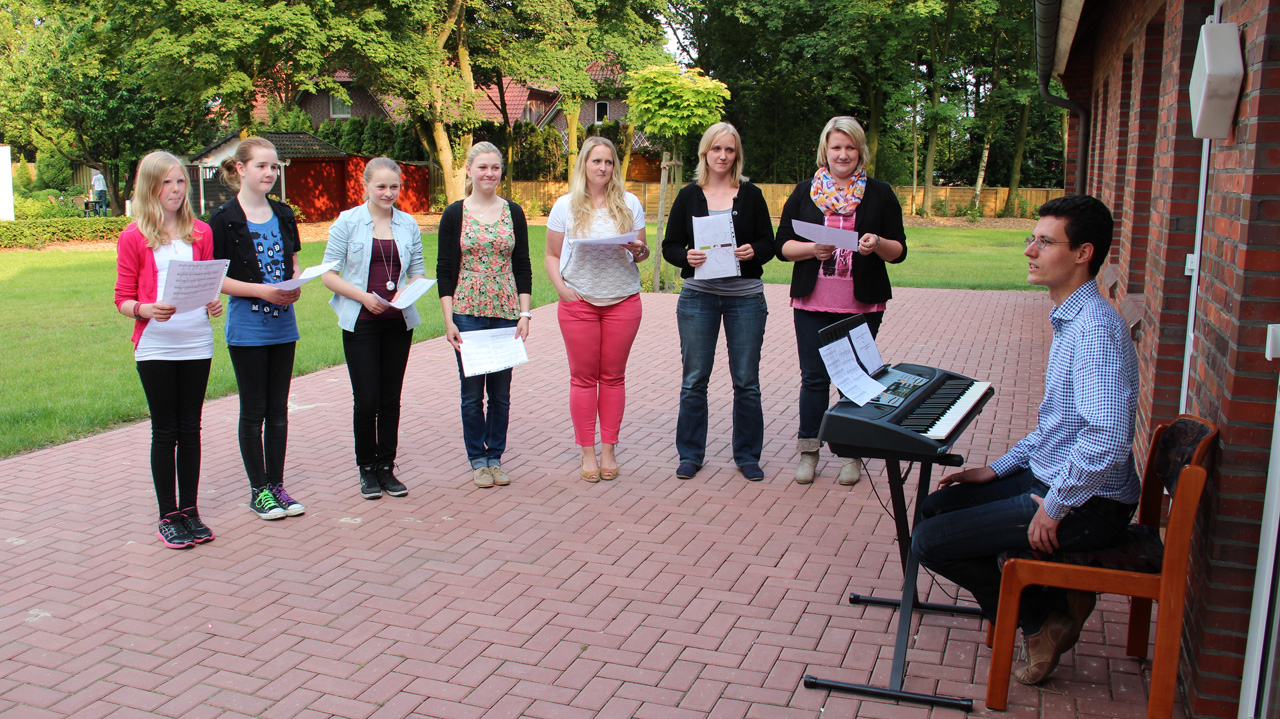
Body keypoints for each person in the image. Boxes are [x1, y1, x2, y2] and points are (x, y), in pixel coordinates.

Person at [911, 195, 1140, 686]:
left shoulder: (1094, 331)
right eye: (1031, 239)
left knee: (930, 542)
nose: (1029, 251)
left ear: (1083, 253)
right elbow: (1059, 424)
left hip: (1088, 504)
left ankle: (1040, 621)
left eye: (1045, 242)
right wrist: (998, 468)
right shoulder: (1072, 318)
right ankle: (1052, 605)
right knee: (934, 509)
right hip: (1061, 478)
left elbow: (1108, 437)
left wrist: (1055, 506)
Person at [775, 116, 906, 486]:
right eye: (836, 147)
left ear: (860, 150)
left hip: (861, 306)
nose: (843, 154)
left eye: (850, 147)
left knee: (855, 381)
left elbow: (899, 252)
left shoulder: (879, 193)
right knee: (814, 380)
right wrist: (810, 249)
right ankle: (809, 452)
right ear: (825, 150)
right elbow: (781, 246)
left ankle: (851, 454)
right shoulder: (804, 192)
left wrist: (877, 243)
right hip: (812, 301)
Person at [113, 151, 223, 549]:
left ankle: (190, 511)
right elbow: (122, 299)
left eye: (180, 182)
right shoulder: (134, 236)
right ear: (150, 187)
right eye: (166, 183)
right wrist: (145, 309)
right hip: (156, 346)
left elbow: (209, 281)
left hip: (196, 340)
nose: (175, 190)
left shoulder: (202, 232)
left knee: (191, 429)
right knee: (166, 431)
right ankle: (168, 516)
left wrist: (213, 302)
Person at [661, 122, 775, 482]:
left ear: (736, 154)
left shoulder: (752, 195)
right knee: (694, 379)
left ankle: (747, 455)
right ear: (705, 153)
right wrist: (687, 257)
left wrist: (753, 250)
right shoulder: (688, 195)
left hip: (745, 298)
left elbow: (769, 245)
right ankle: (690, 454)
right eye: (716, 149)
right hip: (699, 298)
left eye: (729, 150)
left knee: (746, 380)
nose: (722, 156)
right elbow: (670, 246)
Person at [210, 137, 306, 521]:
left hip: (284, 327)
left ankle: (277, 485)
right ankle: (258, 490)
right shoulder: (223, 219)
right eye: (261, 166)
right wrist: (263, 291)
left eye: (273, 167)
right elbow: (216, 278)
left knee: (278, 410)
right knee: (254, 411)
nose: (269, 173)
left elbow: (295, 263)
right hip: (248, 329)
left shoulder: (284, 214)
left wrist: (295, 281)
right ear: (240, 169)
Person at [544, 136, 649, 483]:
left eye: (608, 162)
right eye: (596, 161)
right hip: (579, 303)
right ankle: (587, 451)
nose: (603, 168)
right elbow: (552, 255)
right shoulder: (565, 206)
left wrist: (638, 249)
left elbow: (642, 252)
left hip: (623, 300)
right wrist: (562, 290)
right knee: (584, 378)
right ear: (584, 165)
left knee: (614, 377)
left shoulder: (630, 203)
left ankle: (609, 449)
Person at [322, 158, 427, 500]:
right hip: (361, 322)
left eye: (394, 186)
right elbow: (328, 275)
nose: (388, 193)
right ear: (365, 185)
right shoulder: (348, 223)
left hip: (397, 323)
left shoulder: (408, 224)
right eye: (381, 186)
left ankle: (387, 467)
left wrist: (406, 292)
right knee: (366, 400)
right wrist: (364, 298)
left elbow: (419, 273)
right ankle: (366, 469)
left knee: (390, 399)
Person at [437, 142, 533, 488]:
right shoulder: (454, 214)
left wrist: (525, 314)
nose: (489, 173)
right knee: (471, 392)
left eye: (495, 167)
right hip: (467, 313)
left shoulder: (514, 212)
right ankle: (478, 458)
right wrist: (448, 320)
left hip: (506, 312)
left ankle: (496, 457)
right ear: (468, 170)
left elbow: (522, 265)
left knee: (502, 393)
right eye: (482, 167)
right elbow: (445, 269)